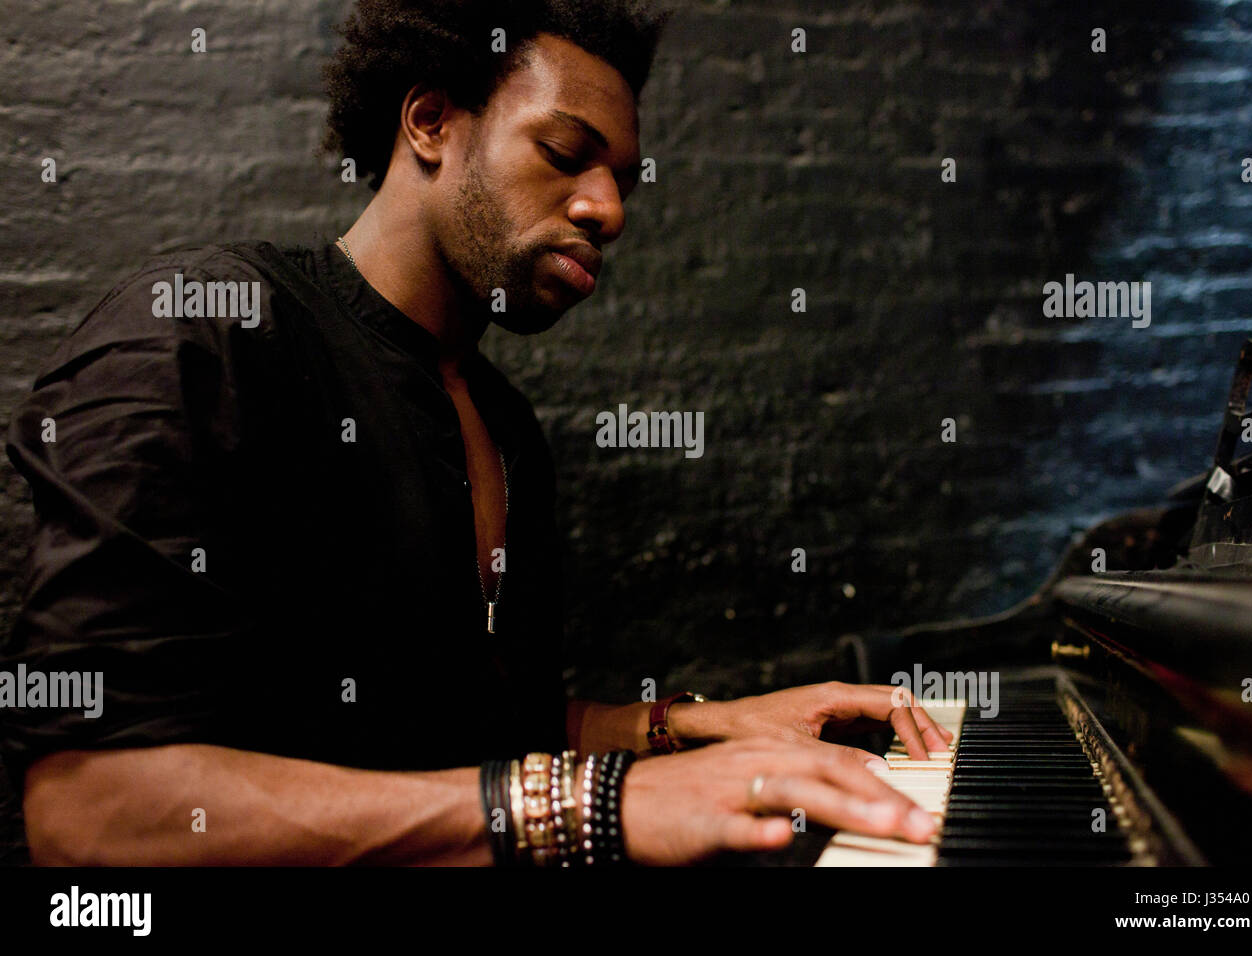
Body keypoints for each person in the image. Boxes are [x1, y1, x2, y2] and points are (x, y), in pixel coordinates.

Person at [2, 0, 949, 866]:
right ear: (429, 122)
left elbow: (470, 735)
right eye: (565, 152)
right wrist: (592, 804)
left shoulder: (505, 427)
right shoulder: (202, 336)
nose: (607, 212)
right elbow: (90, 811)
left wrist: (690, 729)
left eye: (621, 179)